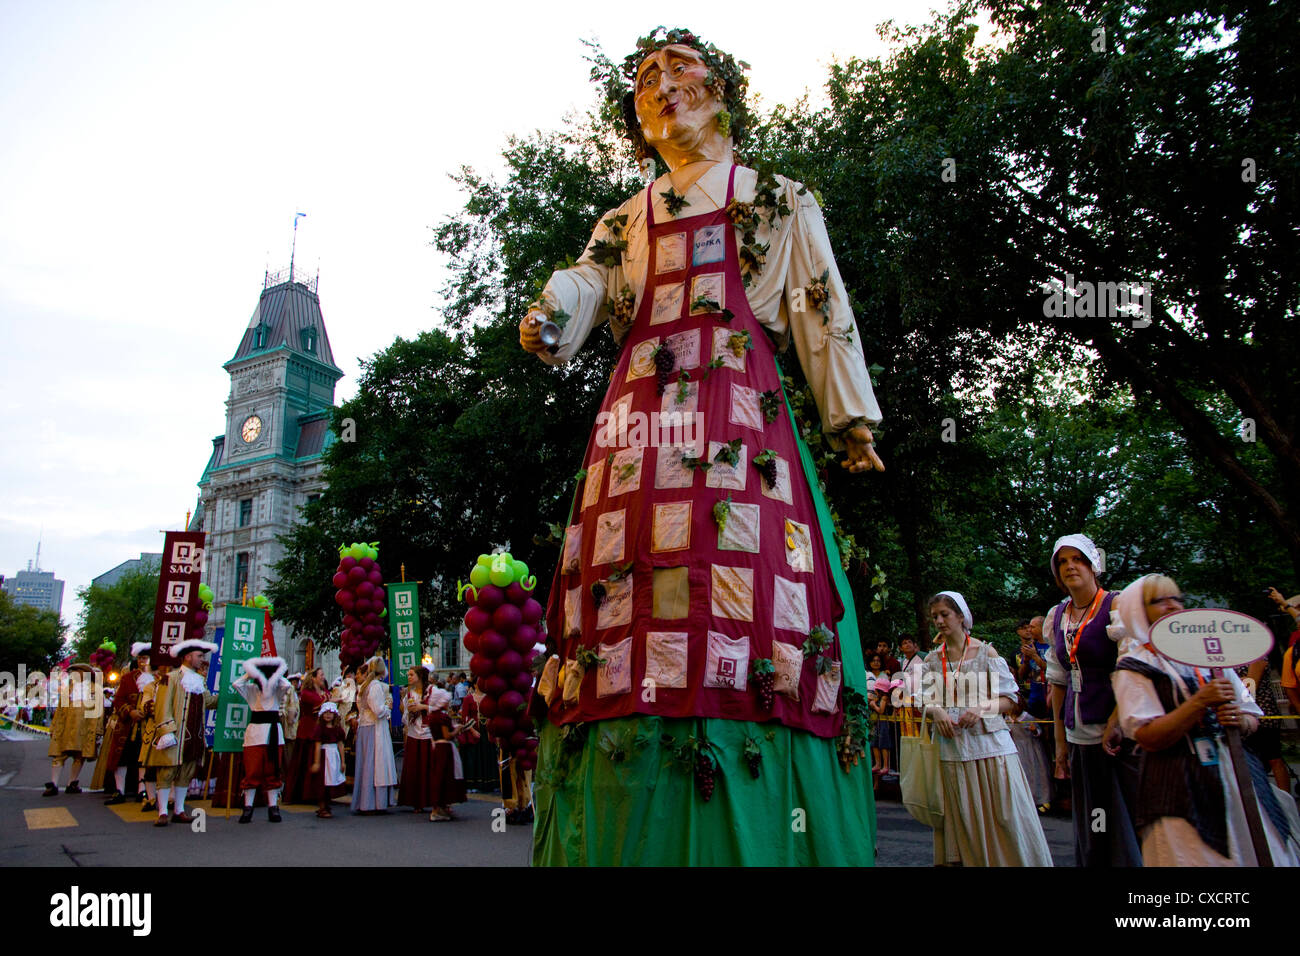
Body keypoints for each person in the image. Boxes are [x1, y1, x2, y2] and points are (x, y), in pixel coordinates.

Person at [517, 26, 884, 866]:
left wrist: (848, 416)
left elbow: (818, 306)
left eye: (676, 68)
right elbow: (588, 281)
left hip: (739, 427)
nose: (658, 83)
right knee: (621, 605)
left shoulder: (776, 199)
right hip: (633, 445)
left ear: (720, 93)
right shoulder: (624, 221)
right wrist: (552, 312)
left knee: (754, 609)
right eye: (645, 77)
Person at [1111, 574, 1300, 866]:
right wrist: (1199, 703)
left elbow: (1251, 715)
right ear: (1138, 610)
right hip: (1178, 786)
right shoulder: (1135, 666)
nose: (1171, 606)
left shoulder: (1202, 653)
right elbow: (1147, 735)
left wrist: (1240, 720)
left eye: (1176, 598)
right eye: (1158, 601)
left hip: (1236, 776)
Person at [923, 591, 1053, 866]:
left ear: (961, 617)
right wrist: (937, 712)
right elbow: (926, 701)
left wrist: (981, 709)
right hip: (954, 752)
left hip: (990, 748)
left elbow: (1010, 699)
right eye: (935, 616)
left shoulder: (985, 652)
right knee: (965, 819)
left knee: (1005, 818)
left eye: (945, 614)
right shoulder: (933, 660)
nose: (939, 621)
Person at [1042, 533, 1142, 867]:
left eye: (1078, 559)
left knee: (1123, 815)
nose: (1070, 567)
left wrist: (1116, 719)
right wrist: (1059, 744)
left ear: (1093, 565)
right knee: (1093, 816)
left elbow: (1132, 669)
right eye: (1063, 562)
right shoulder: (1057, 616)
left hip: (1117, 733)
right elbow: (1057, 681)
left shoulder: (1115, 606)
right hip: (1078, 733)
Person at [150, 640, 218, 826]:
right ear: (187, 657)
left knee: (186, 772)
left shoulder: (199, 680)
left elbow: (209, 702)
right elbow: (162, 707)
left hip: (194, 734)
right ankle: (163, 811)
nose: (201, 660)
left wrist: (226, 694)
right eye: (199, 656)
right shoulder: (170, 678)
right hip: (176, 734)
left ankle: (179, 810)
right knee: (167, 771)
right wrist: (167, 731)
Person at [232, 656, 292, 823]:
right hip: (255, 734)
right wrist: (250, 674)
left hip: (273, 734)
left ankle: (273, 807)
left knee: (272, 771)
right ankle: (247, 807)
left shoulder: (277, 690)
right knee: (252, 771)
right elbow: (236, 684)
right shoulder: (252, 690)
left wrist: (275, 675)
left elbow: (287, 684)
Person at [101, 642, 154, 804]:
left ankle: (142, 790)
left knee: (143, 759)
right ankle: (119, 790)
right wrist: (130, 711)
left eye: (144, 658)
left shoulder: (158, 679)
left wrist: (146, 712)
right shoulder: (127, 678)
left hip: (148, 726)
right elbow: (118, 700)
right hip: (127, 726)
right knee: (122, 758)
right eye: (139, 658)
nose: (141, 661)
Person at [43, 663, 102, 796]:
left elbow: (98, 712)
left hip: (85, 728)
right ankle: (54, 783)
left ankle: (72, 782)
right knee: (58, 755)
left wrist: (98, 730)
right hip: (65, 727)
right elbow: (59, 711)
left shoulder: (94, 690)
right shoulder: (68, 690)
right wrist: (53, 726)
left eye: (77, 671)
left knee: (79, 756)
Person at [352, 656, 397, 814]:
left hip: (365, 726)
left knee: (366, 764)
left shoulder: (365, 686)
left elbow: (361, 707)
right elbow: (378, 710)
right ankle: (373, 802)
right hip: (375, 728)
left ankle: (365, 800)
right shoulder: (376, 686)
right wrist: (388, 707)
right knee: (376, 763)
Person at [284, 668, 328, 803]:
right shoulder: (307, 692)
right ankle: (301, 794)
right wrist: (327, 698)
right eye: (321, 675)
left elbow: (327, 699)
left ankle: (316, 793)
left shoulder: (322, 691)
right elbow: (319, 701)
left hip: (319, 730)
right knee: (304, 762)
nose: (323, 677)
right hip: (308, 729)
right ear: (313, 678)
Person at [398, 666, 436, 813]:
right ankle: (417, 801)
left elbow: (440, 707)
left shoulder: (431, 690)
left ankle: (433, 800)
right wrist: (408, 711)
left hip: (428, 733)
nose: (408, 677)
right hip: (415, 732)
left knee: (429, 768)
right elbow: (405, 715)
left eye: (411, 674)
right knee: (415, 768)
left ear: (419, 676)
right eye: (408, 674)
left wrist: (422, 706)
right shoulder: (409, 693)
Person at [426, 687, 467, 821]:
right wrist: (458, 730)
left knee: (437, 777)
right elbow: (447, 735)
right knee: (446, 777)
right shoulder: (443, 717)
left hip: (437, 748)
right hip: (445, 749)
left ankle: (440, 807)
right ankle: (440, 808)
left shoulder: (431, 716)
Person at [308, 702, 348, 818]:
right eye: (326, 713)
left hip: (334, 756)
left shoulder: (337, 729)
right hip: (324, 756)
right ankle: (322, 807)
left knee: (331, 781)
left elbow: (340, 745)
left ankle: (327, 804)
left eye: (331, 713)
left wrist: (343, 761)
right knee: (322, 782)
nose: (328, 715)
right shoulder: (320, 729)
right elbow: (317, 745)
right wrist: (316, 762)